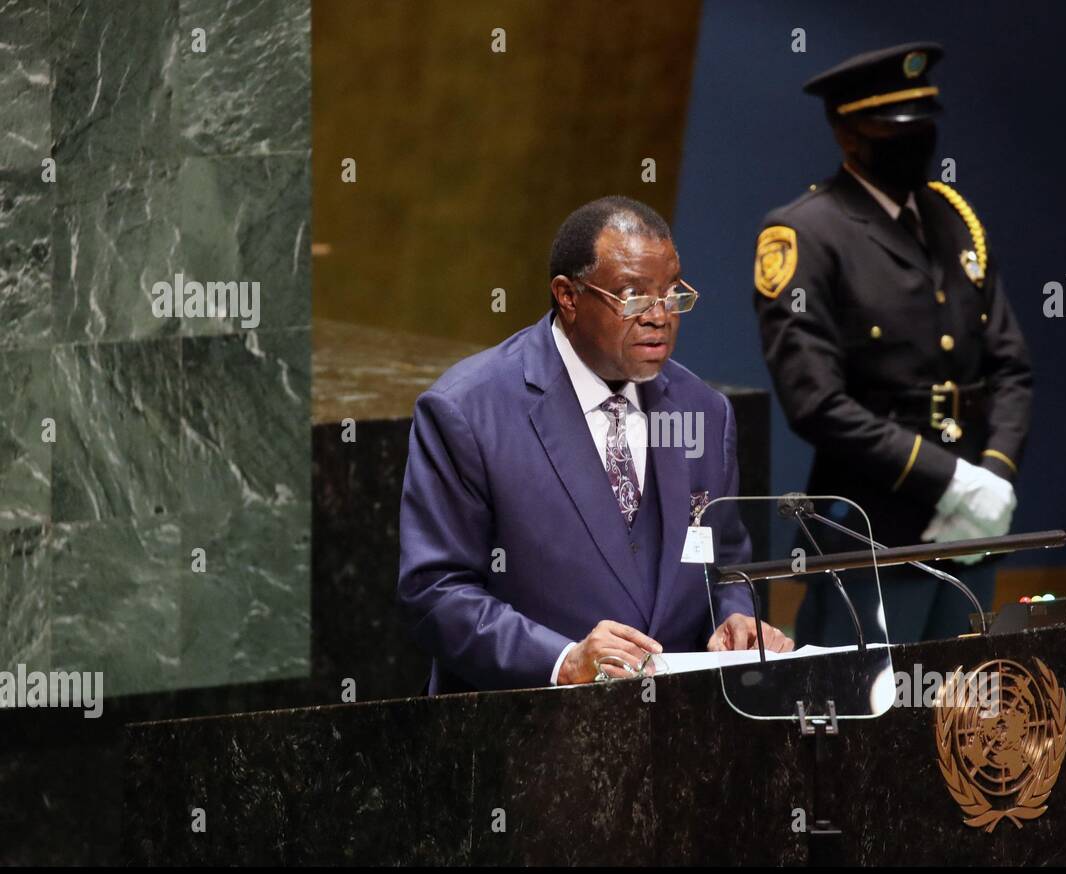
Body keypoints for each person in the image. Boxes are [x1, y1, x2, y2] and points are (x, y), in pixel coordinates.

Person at [399, 196, 791, 693]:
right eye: (633, 295)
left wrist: (736, 617)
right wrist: (562, 660)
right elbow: (435, 592)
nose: (660, 316)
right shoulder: (468, 411)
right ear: (568, 296)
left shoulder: (704, 411)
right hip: (523, 730)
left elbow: (724, 562)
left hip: (677, 732)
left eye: (672, 293)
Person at [753, 43, 1033, 645]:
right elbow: (816, 404)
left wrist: (992, 477)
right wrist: (948, 483)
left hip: (974, 529)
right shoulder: (807, 233)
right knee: (860, 719)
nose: (914, 140)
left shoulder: (954, 219)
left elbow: (1010, 366)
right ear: (846, 133)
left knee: (956, 715)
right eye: (893, 127)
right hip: (872, 527)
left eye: (923, 125)